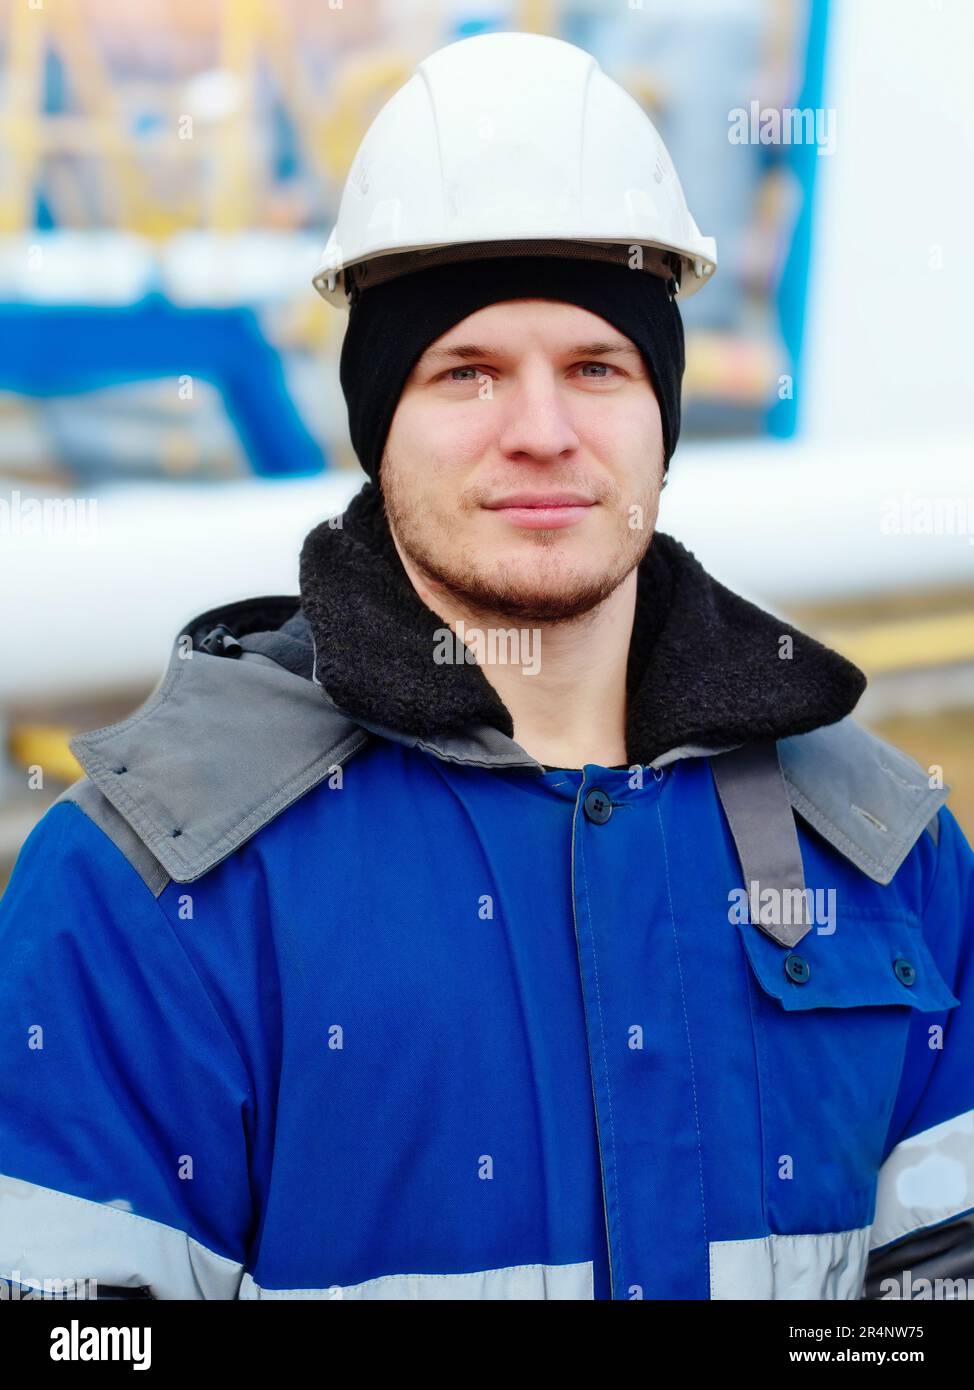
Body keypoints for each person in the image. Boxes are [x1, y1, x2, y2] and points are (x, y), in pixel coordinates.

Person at [1, 30, 971, 1303]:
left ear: (660, 413)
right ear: (375, 420)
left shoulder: (887, 848)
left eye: (595, 367)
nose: (541, 431)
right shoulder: (149, 890)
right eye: (466, 372)